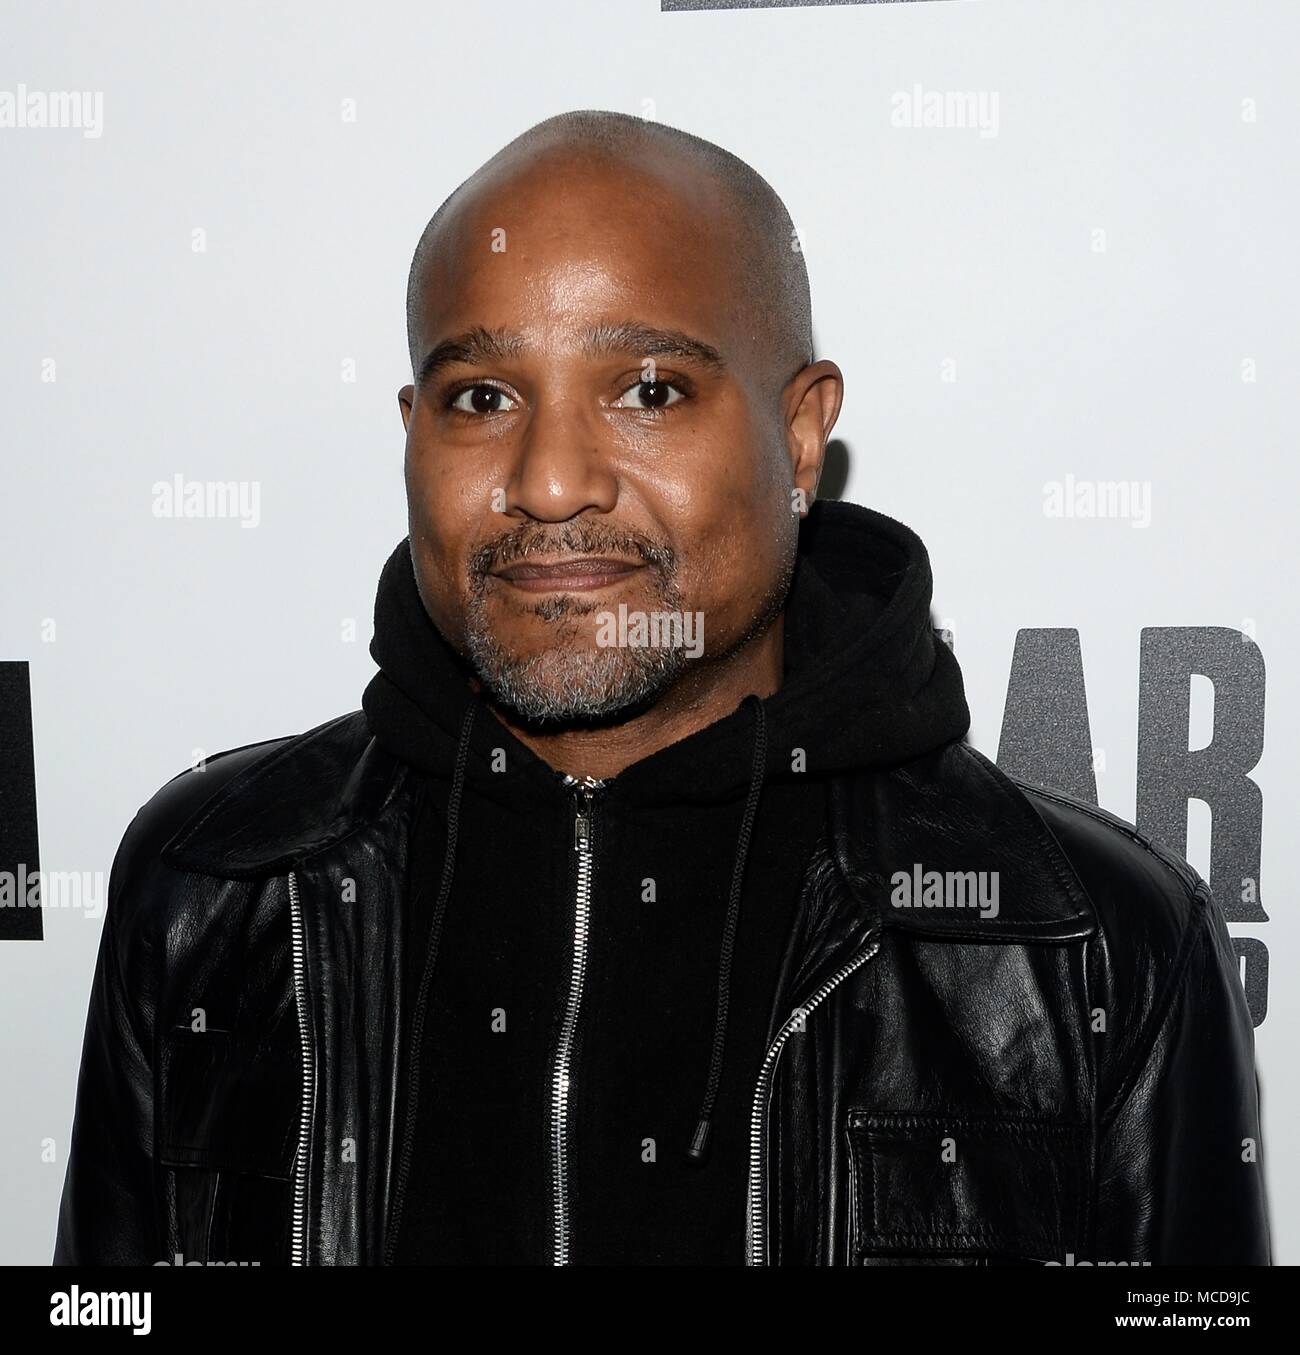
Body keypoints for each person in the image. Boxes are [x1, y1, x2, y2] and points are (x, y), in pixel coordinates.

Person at [53, 109, 1270, 1266]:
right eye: (483, 397)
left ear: (800, 435)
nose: (548, 480)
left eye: (647, 389)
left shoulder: (1088, 939)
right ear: (413, 428)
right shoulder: (217, 884)